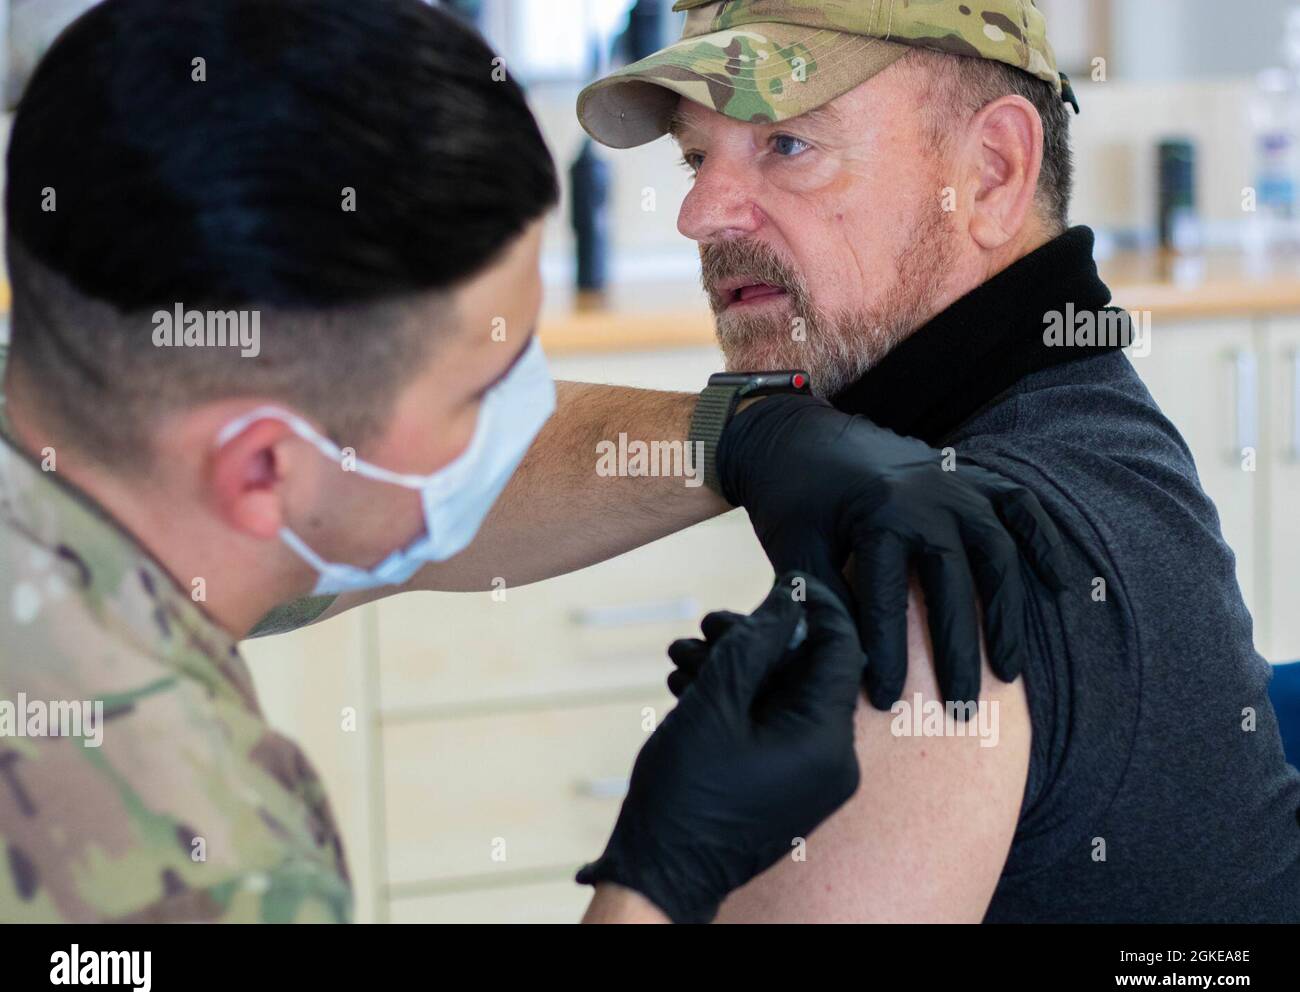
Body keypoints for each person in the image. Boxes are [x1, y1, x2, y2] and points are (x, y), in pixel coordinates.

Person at [0, 0, 1063, 924]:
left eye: (785, 143)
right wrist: (660, 875)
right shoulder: (182, 848)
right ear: (264, 472)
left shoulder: (69, 462)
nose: (696, 213)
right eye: (479, 388)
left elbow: (369, 482)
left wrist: (737, 434)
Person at [572, 0, 1300, 921]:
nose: (699, 213)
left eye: (787, 144)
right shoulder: (1093, 421)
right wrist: (742, 434)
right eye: (695, 156)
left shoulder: (935, 590)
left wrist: (661, 869)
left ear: (992, 173)